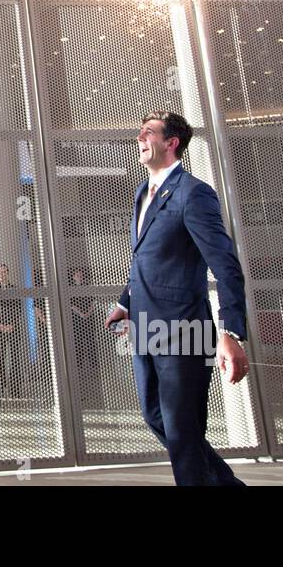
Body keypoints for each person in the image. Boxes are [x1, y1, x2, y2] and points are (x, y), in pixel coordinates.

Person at [105, 111, 249, 487]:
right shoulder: (142, 191)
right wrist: (125, 302)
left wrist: (231, 332)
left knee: (183, 431)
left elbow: (225, 264)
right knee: (155, 416)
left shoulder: (193, 193)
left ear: (171, 143)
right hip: (146, 326)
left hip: (186, 331)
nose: (139, 137)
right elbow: (147, 258)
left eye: (148, 132)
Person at [0, 264, 23, 397]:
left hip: (13, 328)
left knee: (14, 358)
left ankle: (15, 387)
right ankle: (1, 386)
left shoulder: (15, 289)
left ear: (8, 273)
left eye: (4, 272)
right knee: (0, 357)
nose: (1, 274)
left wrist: (11, 324)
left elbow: (19, 308)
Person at [68, 268, 102, 407]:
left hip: (88, 320)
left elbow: (93, 301)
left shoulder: (87, 287)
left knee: (90, 340)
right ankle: (80, 362)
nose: (79, 276)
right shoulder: (70, 289)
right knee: (78, 342)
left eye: (81, 274)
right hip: (77, 320)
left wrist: (87, 313)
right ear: (73, 276)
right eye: (76, 274)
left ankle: (94, 364)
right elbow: (70, 304)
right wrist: (80, 313)